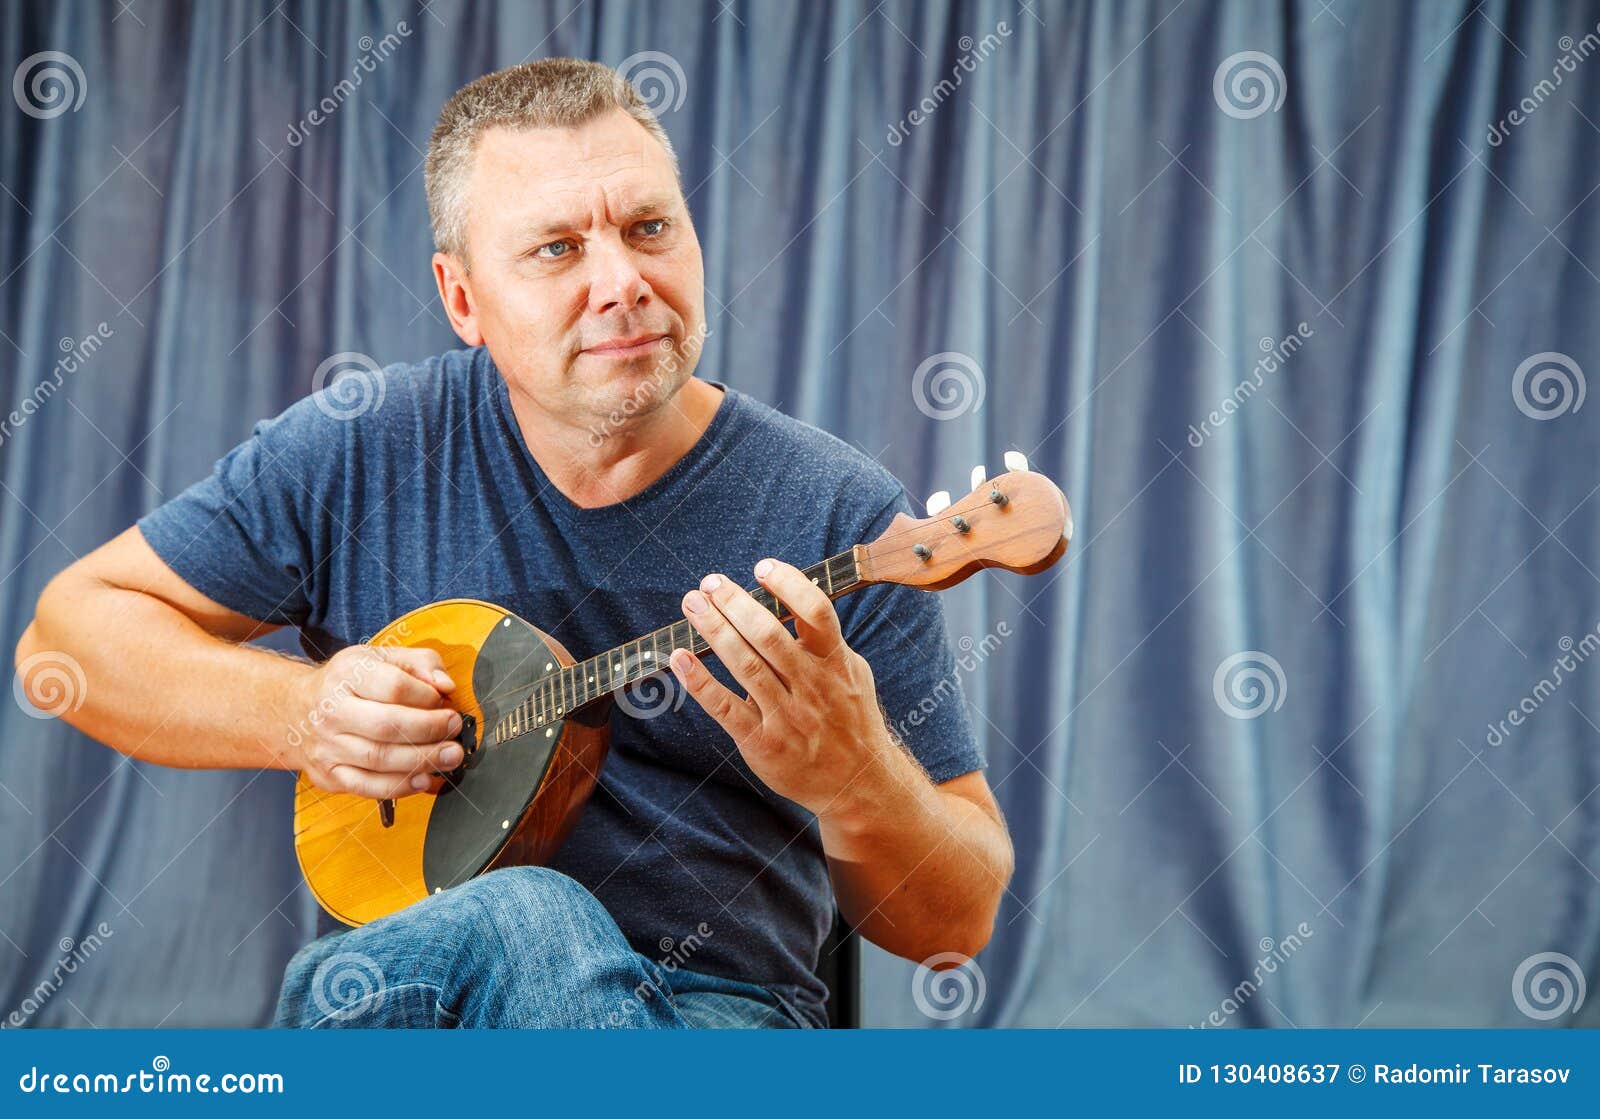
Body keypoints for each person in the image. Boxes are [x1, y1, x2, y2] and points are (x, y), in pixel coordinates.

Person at [15, 58, 1013, 1029]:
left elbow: (954, 924)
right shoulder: (364, 446)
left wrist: (860, 780)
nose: (622, 280)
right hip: (411, 998)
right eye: (558, 249)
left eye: (649, 228)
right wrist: (301, 711)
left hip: (712, 1019)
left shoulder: (836, 515)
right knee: (501, 925)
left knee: (537, 929)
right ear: (462, 302)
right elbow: (65, 641)